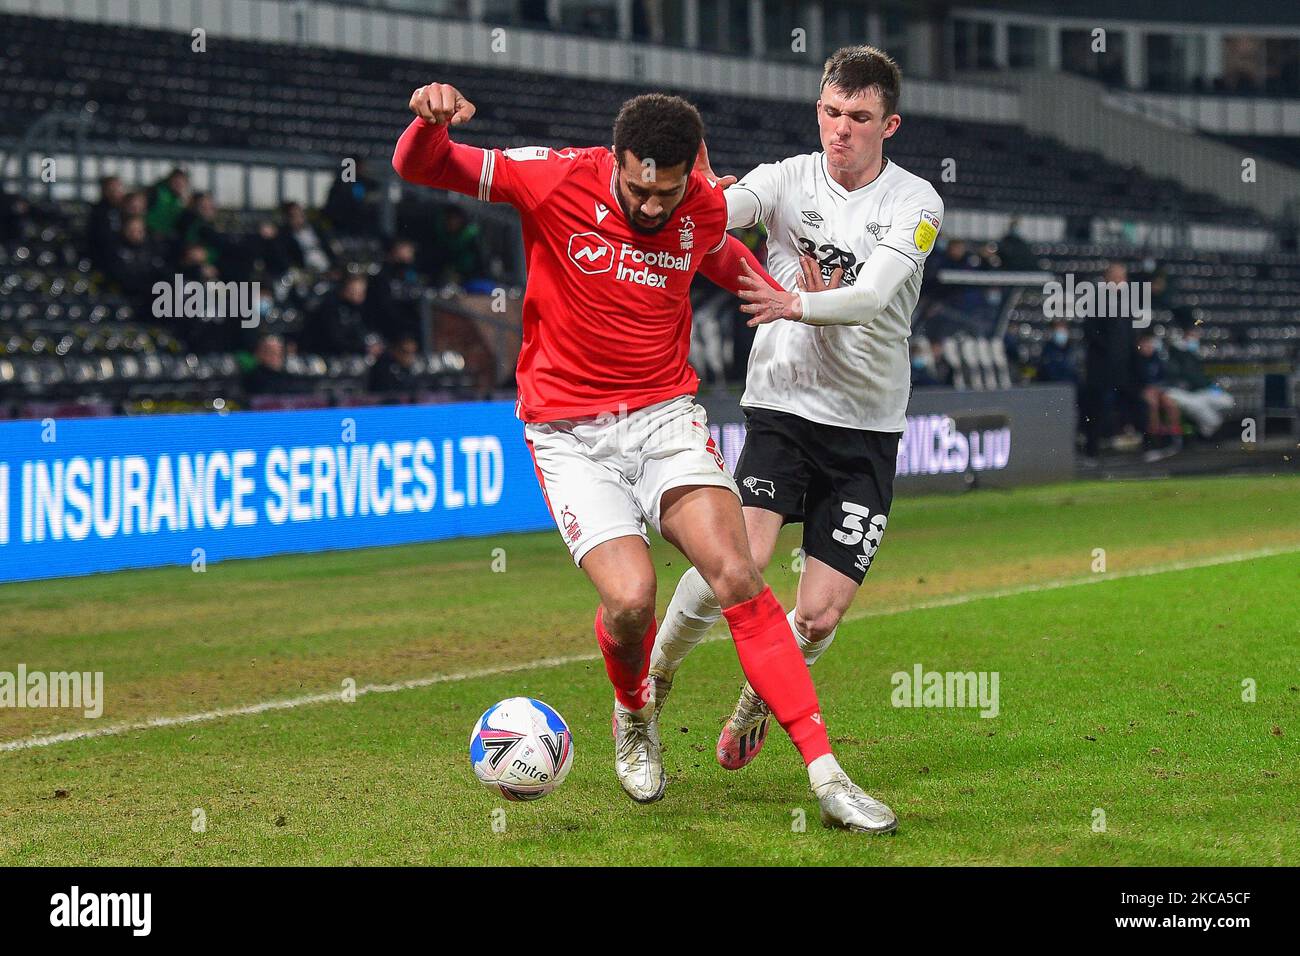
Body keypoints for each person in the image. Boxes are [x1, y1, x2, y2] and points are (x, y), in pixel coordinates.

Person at [393, 80, 891, 832]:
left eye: (669, 192)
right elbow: (425, 168)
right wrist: (428, 125)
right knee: (630, 601)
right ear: (617, 158)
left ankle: (827, 775)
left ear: (691, 171)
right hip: (569, 434)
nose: (653, 206)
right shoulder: (554, 176)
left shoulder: (701, 204)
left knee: (737, 574)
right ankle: (634, 712)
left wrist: (793, 298)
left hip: (664, 419)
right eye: (638, 188)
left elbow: (721, 258)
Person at [654, 46, 939, 833]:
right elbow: (728, 210)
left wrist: (793, 304)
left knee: (816, 616)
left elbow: (875, 294)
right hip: (782, 409)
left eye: (857, 118)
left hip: (867, 428)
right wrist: (704, 192)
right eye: (829, 112)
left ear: (889, 123)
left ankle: (756, 697)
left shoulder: (917, 201)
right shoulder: (785, 178)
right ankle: (655, 678)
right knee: (728, 566)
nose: (839, 130)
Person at [1165, 322, 1234, 438]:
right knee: (1202, 410)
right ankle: (1203, 433)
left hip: (1201, 391)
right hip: (1181, 392)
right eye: (1193, 335)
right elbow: (1181, 376)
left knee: (1227, 400)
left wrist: (1210, 386)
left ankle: (1204, 431)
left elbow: (1199, 376)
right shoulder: (1175, 352)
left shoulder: (1192, 354)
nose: (1196, 339)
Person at [1136, 332, 1182, 462]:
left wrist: (1159, 389)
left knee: (1171, 403)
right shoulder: (1135, 361)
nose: (1148, 347)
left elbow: (1165, 378)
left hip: (1158, 389)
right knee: (1152, 404)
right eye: (1145, 344)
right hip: (1142, 391)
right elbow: (1133, 382)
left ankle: (1174, 438)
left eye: (1149, 343)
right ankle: (1154, 440)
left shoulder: (1157, 359)